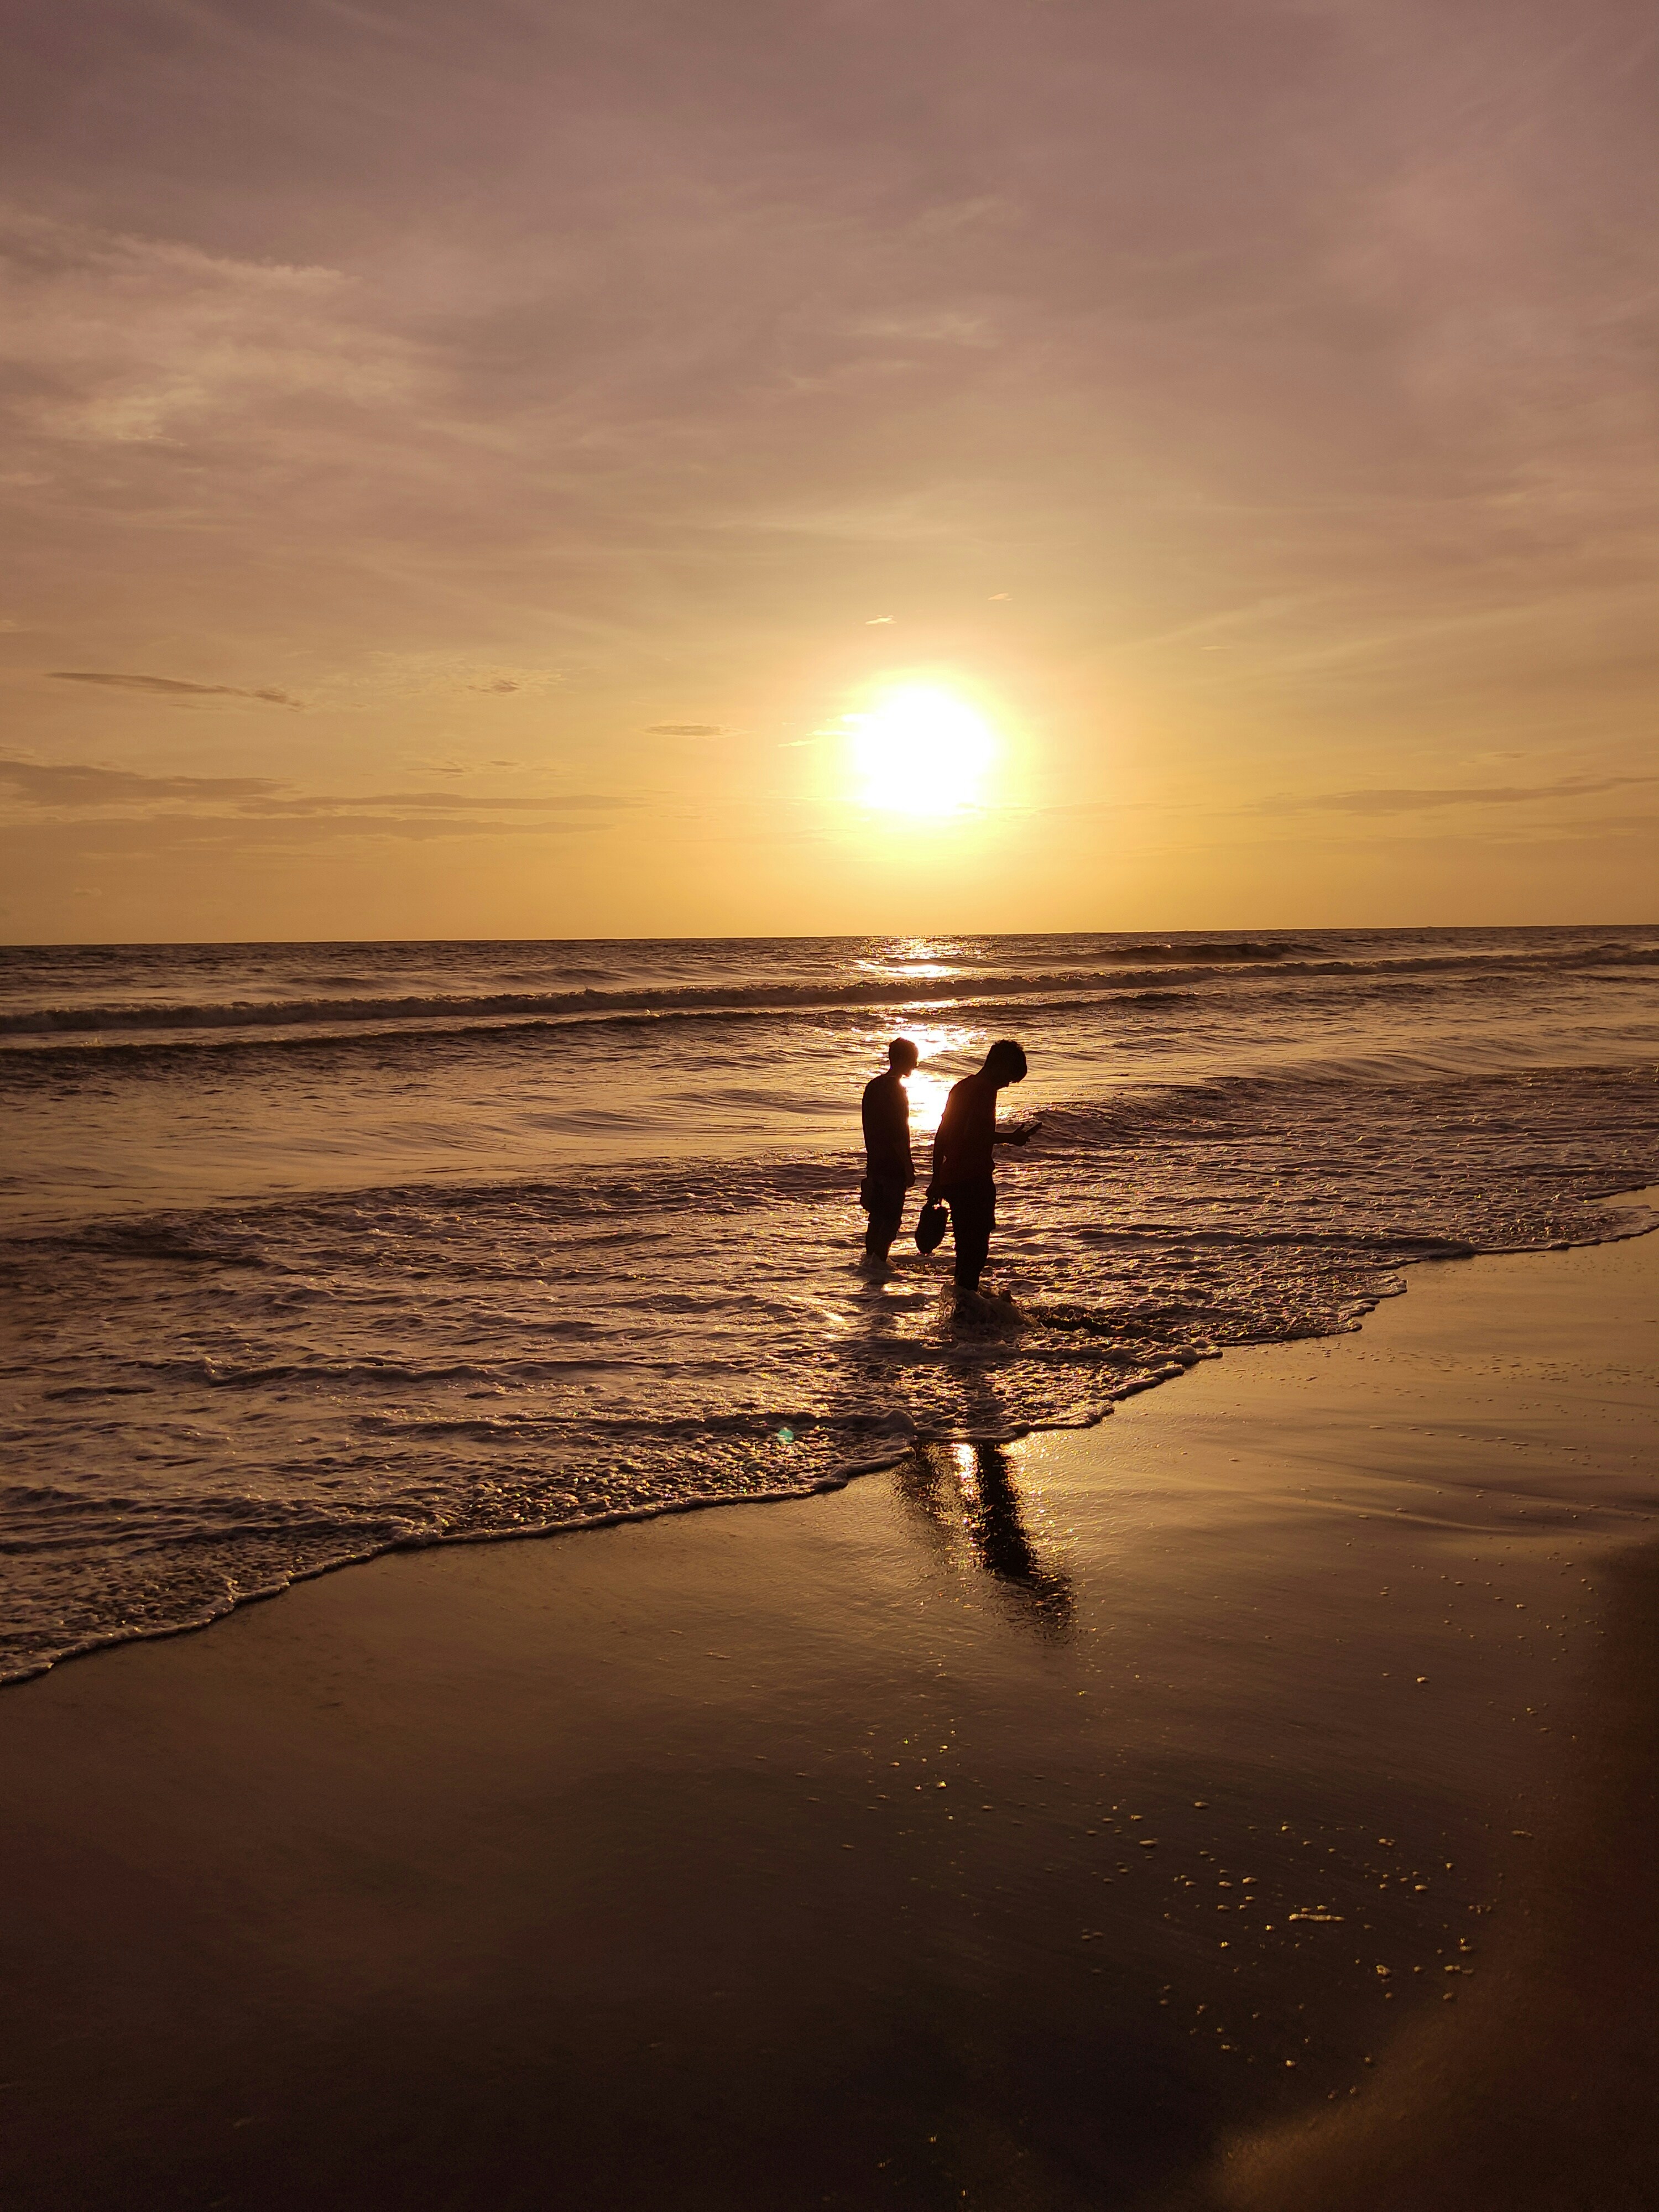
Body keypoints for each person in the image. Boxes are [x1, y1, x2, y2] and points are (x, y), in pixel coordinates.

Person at [926, 1039, 1039, 1299]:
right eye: (1010, 1076)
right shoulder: (983, 1091)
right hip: (972, 1179)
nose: (1008, 1084)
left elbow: (942, 1136)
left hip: (952, 1177)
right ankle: (966, 1307)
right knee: (975, 1249)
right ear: (998, 1066)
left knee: (966, 1247)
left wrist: (936, 1178)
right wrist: (1010, 1139)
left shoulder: (962, 1087)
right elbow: (974, 1135)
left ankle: (962, 1303)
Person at [859, 1037, 919, 1260]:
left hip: (875, 1162)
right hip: (892, 1165)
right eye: (914, 1059)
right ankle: (879, 1263)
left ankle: (871, 1265)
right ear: (904, 1060)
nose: (916, 1064)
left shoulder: (873, 1086)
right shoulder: (896, 1090)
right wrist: (907, 1165)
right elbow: (898, 1133)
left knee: (876, 1218)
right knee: (891, 1219)